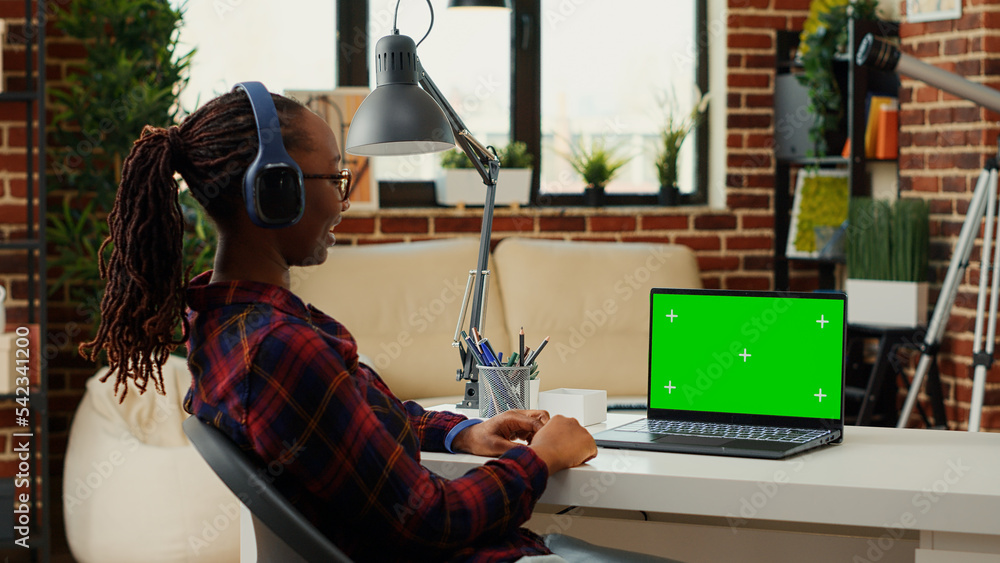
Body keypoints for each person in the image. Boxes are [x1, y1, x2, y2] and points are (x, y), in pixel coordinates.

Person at [81, 86, 679, 562]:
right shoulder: (281, 348)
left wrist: (459, 434)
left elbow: (356, 417)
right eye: (335, 179)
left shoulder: (226, 324)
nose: (343, 202)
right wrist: (540, 460)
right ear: (274, 191)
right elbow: (430, 519)